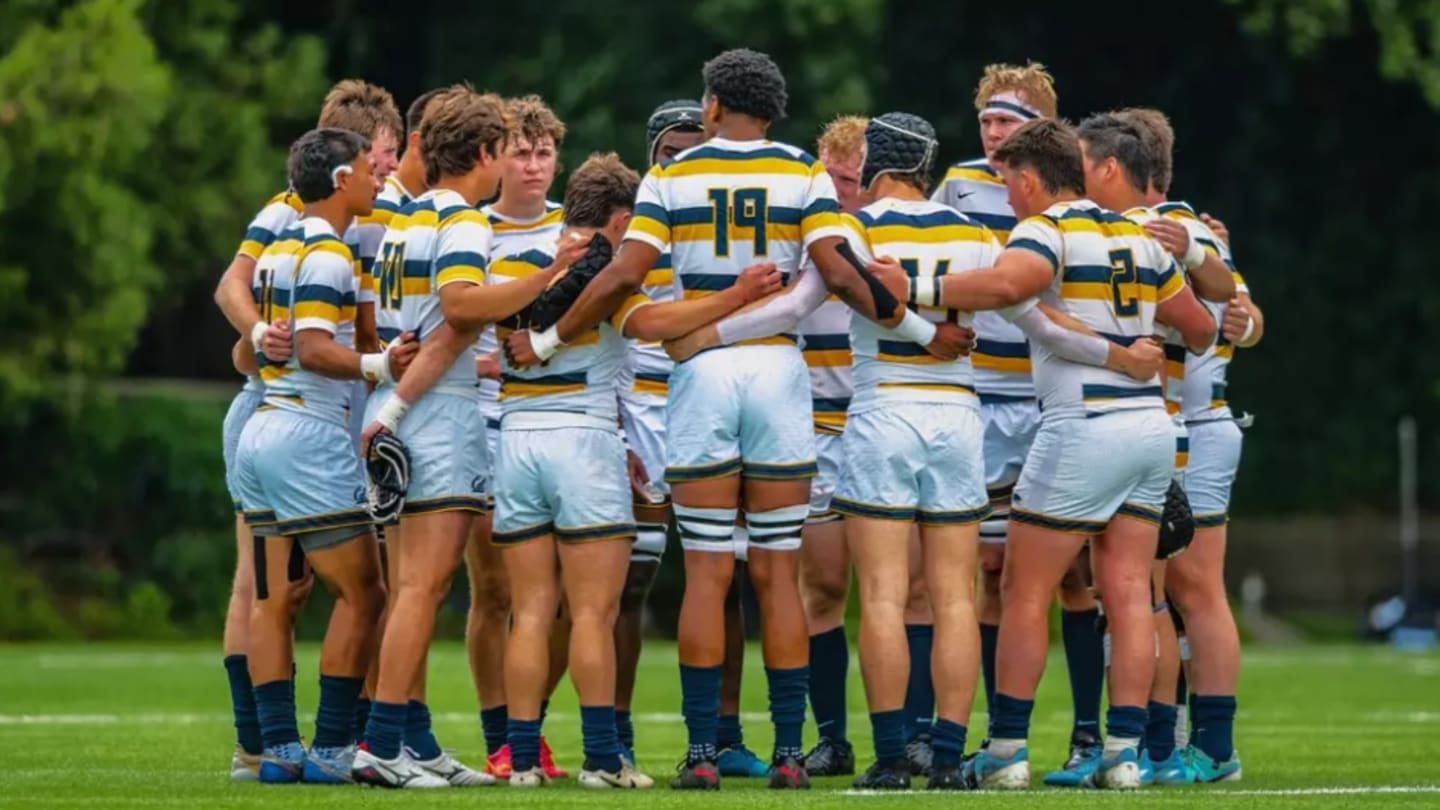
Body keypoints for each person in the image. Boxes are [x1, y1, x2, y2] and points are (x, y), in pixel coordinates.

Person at [505, 48, 965, 790]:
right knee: (778, 575)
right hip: (781, 374)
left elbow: (623, 273)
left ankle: (701, 754)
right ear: (775, 111)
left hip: (703, 374)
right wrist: (921, 331)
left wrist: (548, 337)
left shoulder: (672, 174)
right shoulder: (799, 171)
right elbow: (843, 274)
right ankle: (789, 752)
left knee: (710, 574)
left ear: (713, 105)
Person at [909, 118, 1215, 790]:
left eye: (1008, 185)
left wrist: (910, 285)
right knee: (1130, 592)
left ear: (1027, 179)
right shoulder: (1138, 236)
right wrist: (1133, 337)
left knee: (1026, 589)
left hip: (1083, 423)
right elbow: (1199, 327)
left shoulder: (1046, 228)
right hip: (1148, 427)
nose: (1008, 199)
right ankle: (1124, 755)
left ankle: (1007, 749)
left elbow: (1004, 286)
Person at [353, 86, 552, 788]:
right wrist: (549, 275)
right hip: (437, 409)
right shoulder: (465, 221)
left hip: (397, 402)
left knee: (408, 583)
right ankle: (380, 746)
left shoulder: (407, 217)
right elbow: (464, 306)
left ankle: (408, 744)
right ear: (486, 153)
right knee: (421, 588)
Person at [929, 63, 1115, 786]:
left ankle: (1087, 734)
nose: (993, 132)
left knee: (1077, 575)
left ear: (1046, 127)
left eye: (1009, 119)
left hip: (1052, 396)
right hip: (979, 393)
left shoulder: (1077, 191)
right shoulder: (958, 185)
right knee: (987, 569)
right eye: (986, 119)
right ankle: (999, 733)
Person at [212, 79, 401, 781]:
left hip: (273, 425)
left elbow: (274, 337)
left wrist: (268, 336)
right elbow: (304, 339)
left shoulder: (307, 241)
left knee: (273, 595)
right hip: (301, 428)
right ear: (347, 163)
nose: (385, 172)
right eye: (378, 159)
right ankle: (310, 746)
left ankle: (277, 749)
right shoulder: (309, 235)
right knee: (357, 592)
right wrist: (382, 362)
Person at [488, 153, 660, 789]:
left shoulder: (514, 259)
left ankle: (524, 761)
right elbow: (648, 322)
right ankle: (602, 759)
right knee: (592, 613)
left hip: (516, 439)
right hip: (583, 439)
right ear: (620, 218)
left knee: (531, 610)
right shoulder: (610, 271)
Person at [1117, 107, 1263, 784]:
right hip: (1174, 425)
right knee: (1156, 591)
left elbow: (1238, 314)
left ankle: (1214, 746)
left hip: (1197, 424)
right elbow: (1245, 314)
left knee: (1194, 588)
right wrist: (1247, 318)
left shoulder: (1179, 227)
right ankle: (1165, 742)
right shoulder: (1181, 228)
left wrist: (1245, 318)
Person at [471, 94, 572, 781]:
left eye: (543, 153)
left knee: (564, 597)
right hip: (481, 425)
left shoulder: (577, 228)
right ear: (497, 157)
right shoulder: (471, 231)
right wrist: (499, 357)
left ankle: (526, 724)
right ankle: (500, 738)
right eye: (520, 152)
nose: (533, 165)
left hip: (557, 423)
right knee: (496, 593)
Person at [612, 99, 707, 765]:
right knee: (628, 582)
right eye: (670, 149)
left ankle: (722, 736)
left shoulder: (720, 216)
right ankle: (612, 733)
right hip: (639, 406)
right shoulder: (628, 225)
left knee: (723, 572)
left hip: (705, 400)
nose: (679, 160)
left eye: (691, 149)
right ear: (651, 153)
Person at [795, 115, 865, 778]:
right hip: (814, 424)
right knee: (820, 587)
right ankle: (832, 737)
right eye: (837, 178)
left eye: (856, 181)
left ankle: (919, 734)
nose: (846, 192)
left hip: (876, 416)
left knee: (913, 586)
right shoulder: (799, 233)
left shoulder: (896, 235)